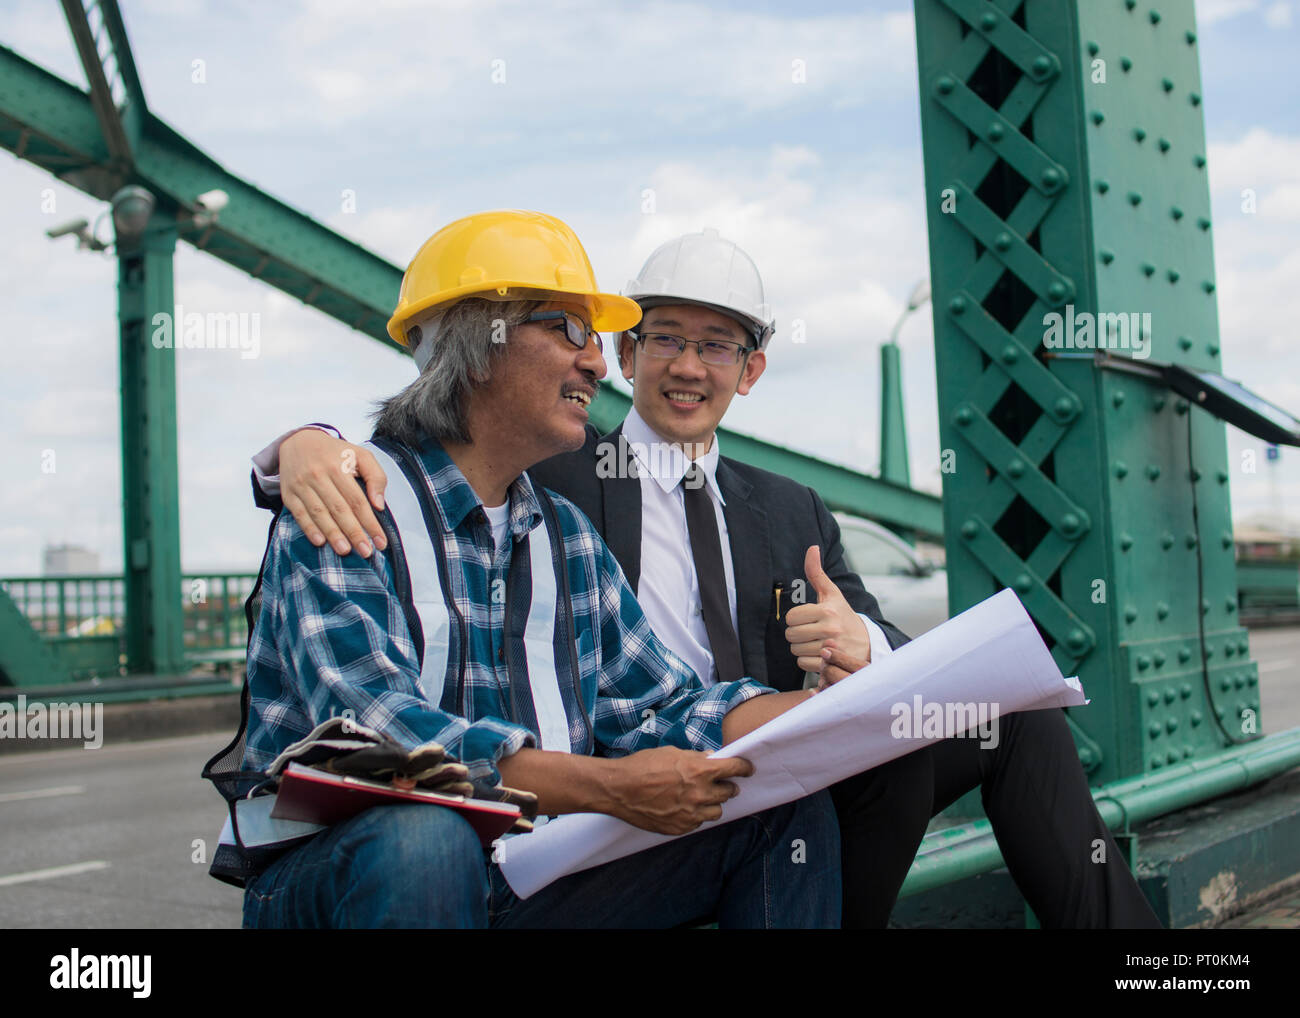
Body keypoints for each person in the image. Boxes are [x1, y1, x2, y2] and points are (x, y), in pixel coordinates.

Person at [255, 228, 1161, 930]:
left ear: (751, 370)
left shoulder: (704, 515)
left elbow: (678, 701)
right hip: (524, 814)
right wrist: (302, 448)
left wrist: (861, 668)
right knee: (424, 841)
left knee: (987, 730)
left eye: (718, 347)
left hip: (675, 791)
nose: (675, 365)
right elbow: (380, 741)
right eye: (653, 339)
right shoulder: (509, 476)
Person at [224, 210, 843, 929]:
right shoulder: (348, 506)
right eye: (568, 331)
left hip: (526, 872)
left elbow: (659, 708)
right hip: (349, 873)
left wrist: (839, 711)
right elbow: (383, 744)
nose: (596, 363)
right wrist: (608, 787)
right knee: (426, 839)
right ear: (477, 344)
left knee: (776, 808)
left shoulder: (568, 538)